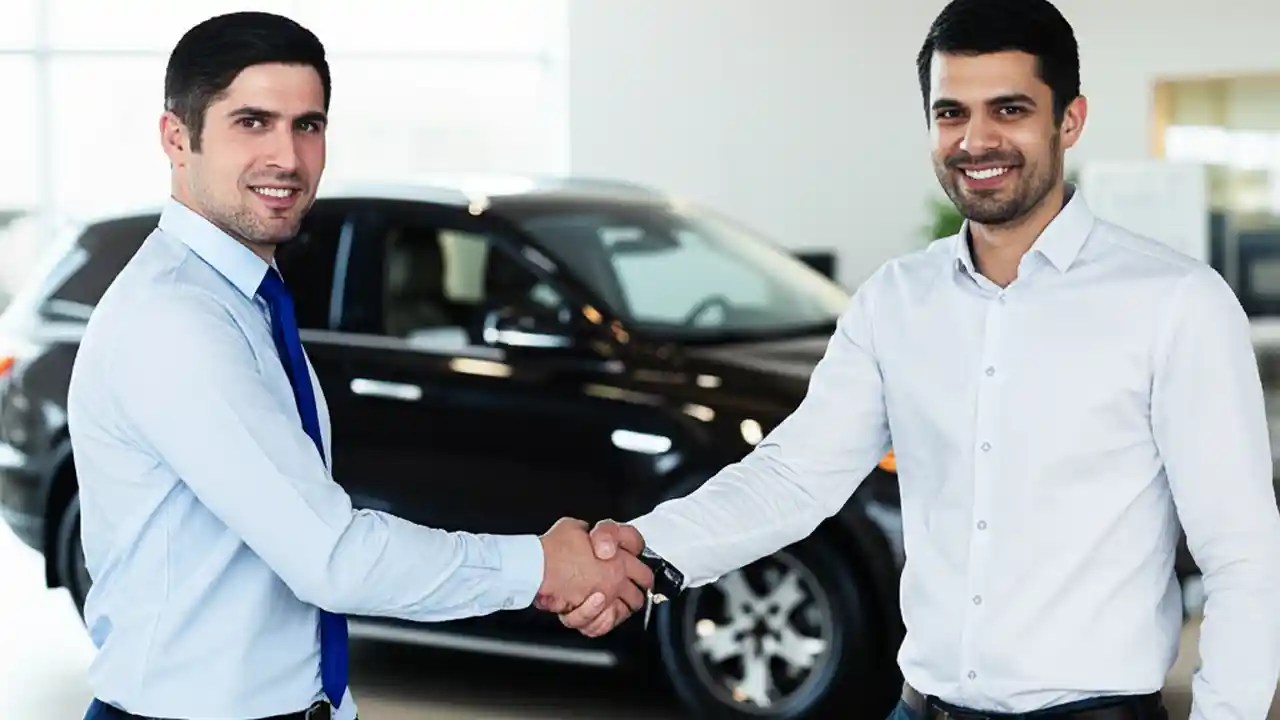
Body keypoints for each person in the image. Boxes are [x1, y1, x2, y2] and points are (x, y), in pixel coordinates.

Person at [560, 0, 1280, 718]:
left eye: (1009, 110)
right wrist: (645, 548)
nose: (976, 140)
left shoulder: (1174, 302)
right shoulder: (895, 300)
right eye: (950, 113)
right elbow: (795, 476)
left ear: (1070, 120)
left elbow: (1244, 554)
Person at [67, 12, 652, 720]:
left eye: (307, 125)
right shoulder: (175, 321)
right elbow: (333, 559)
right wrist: (543, 566)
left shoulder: (242, 301)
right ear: (175, 138)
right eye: (252, 123)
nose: (287, 157)